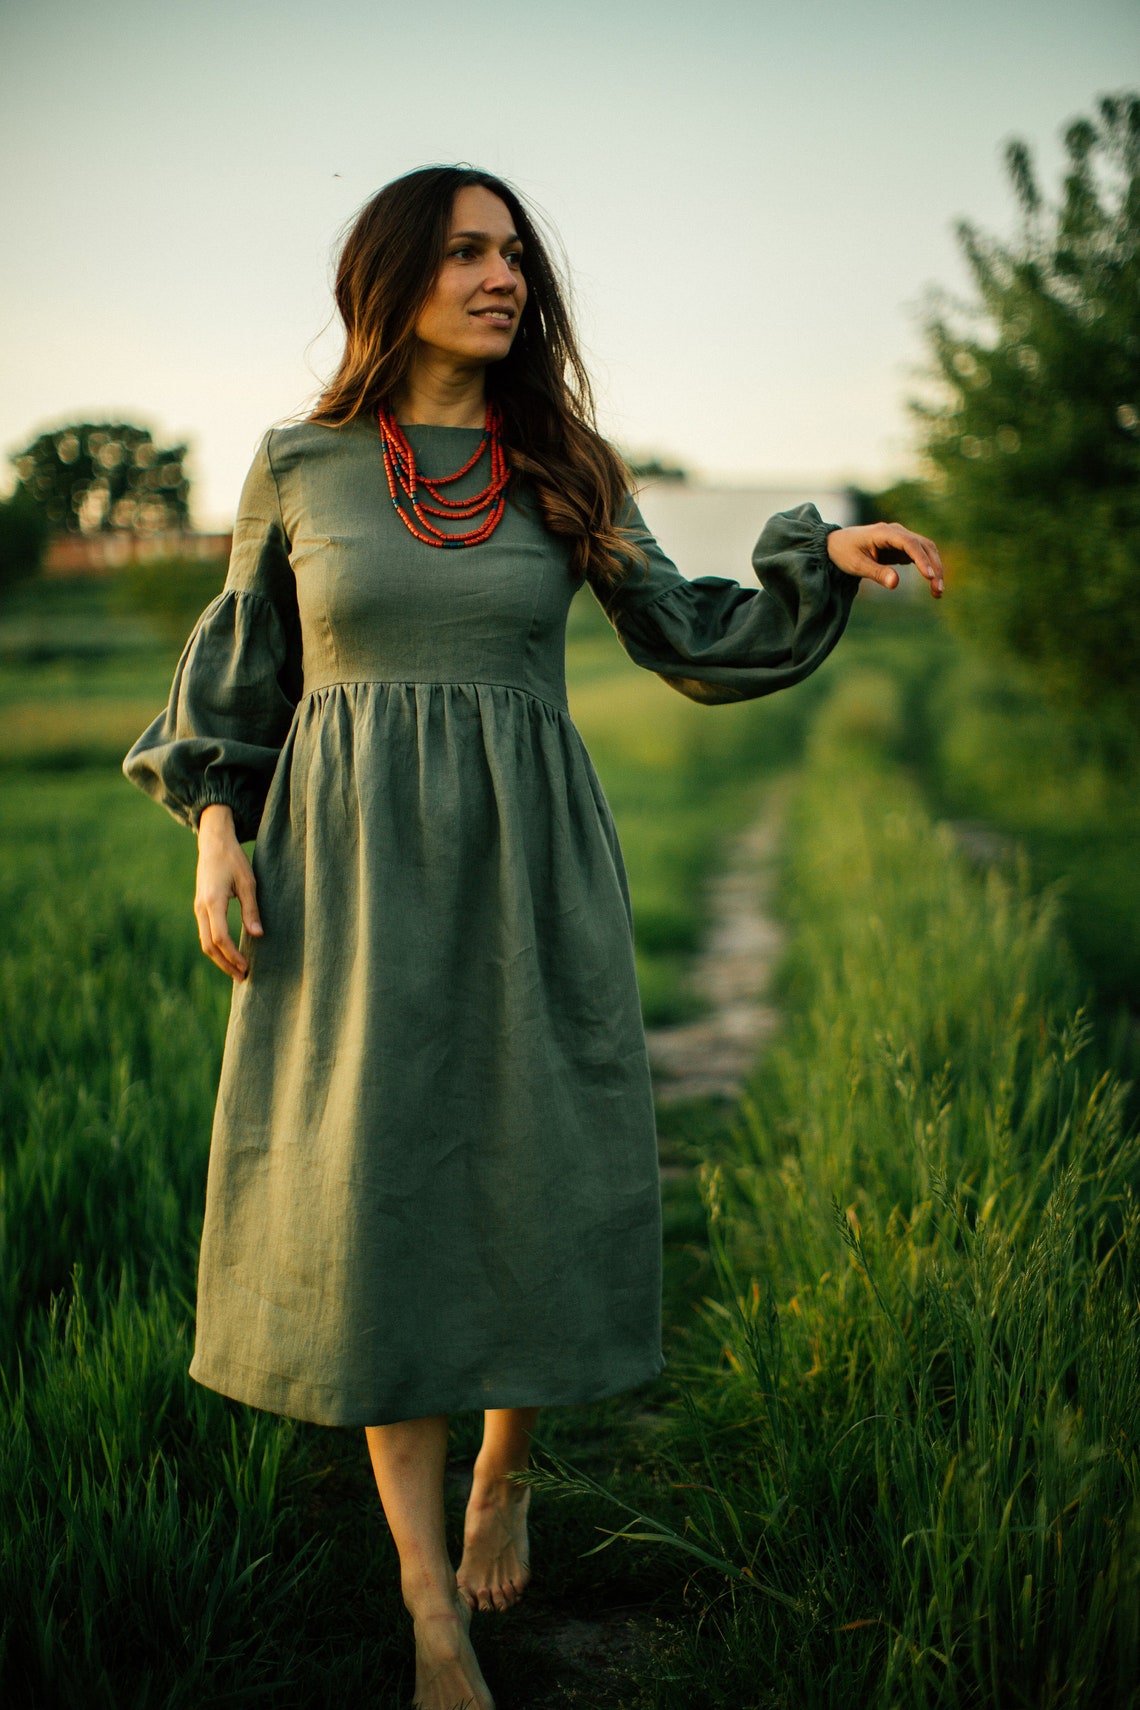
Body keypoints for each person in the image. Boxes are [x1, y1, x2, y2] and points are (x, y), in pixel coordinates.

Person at [123, 164, 944, 1710]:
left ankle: (507, 1463)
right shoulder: (300, 464)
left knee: (529, 1164)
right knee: (380, 1195)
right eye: (465, 254)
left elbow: (689, 633)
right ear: (393, 279)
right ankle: (430, 1610)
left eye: (513, 255)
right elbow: (237, 680)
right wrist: (218, 831)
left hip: (528, 863)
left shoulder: (563, 465)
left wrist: (817, 558)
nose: (502, 277)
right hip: (348, 876)